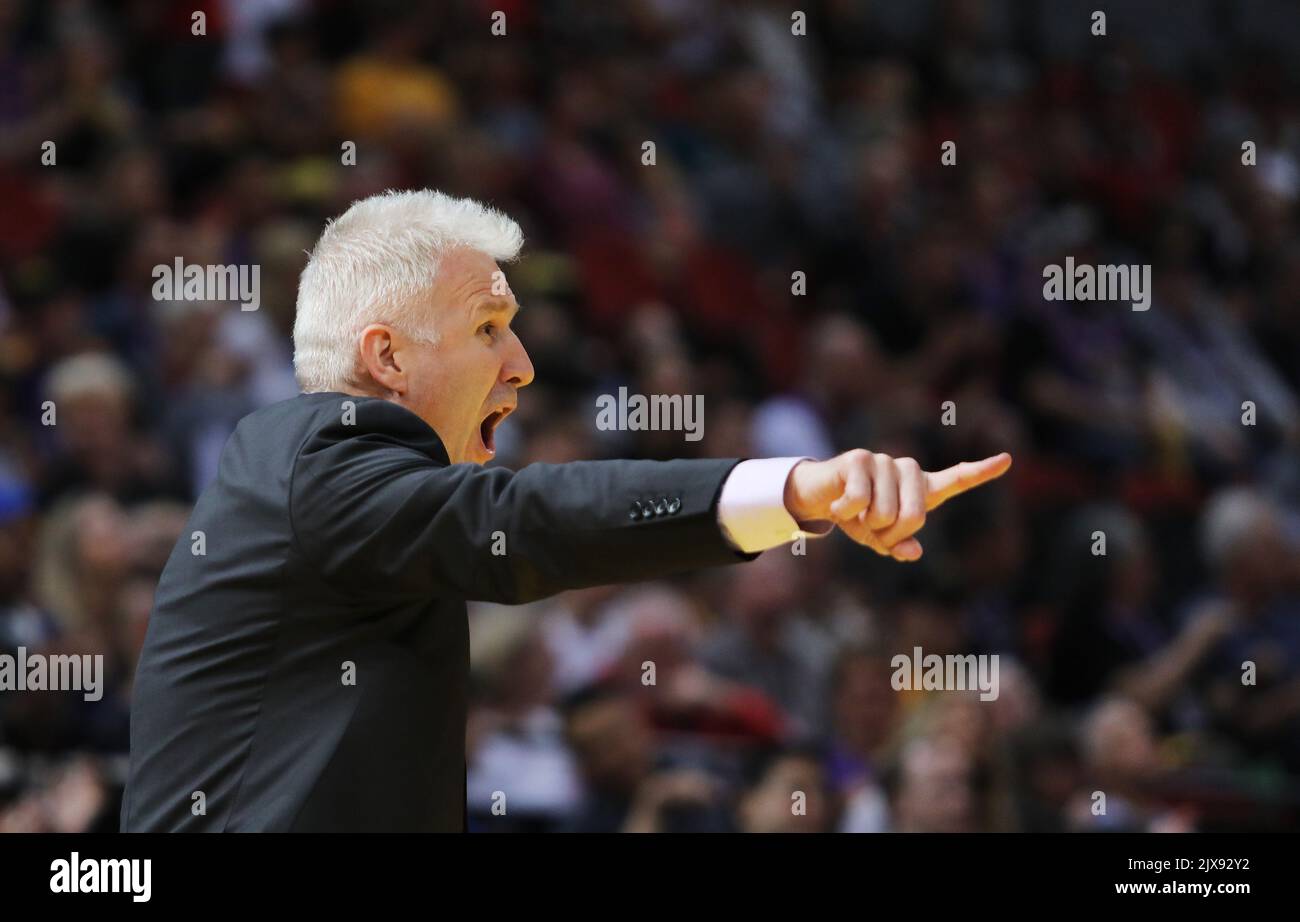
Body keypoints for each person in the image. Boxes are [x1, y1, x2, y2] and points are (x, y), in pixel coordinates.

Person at [120, 189, 1011, 832]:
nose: (522, 363)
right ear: (386, 357)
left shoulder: (348, 501)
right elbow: (526, 520)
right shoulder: (318, 454)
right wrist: (792, 489)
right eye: (485, 328)